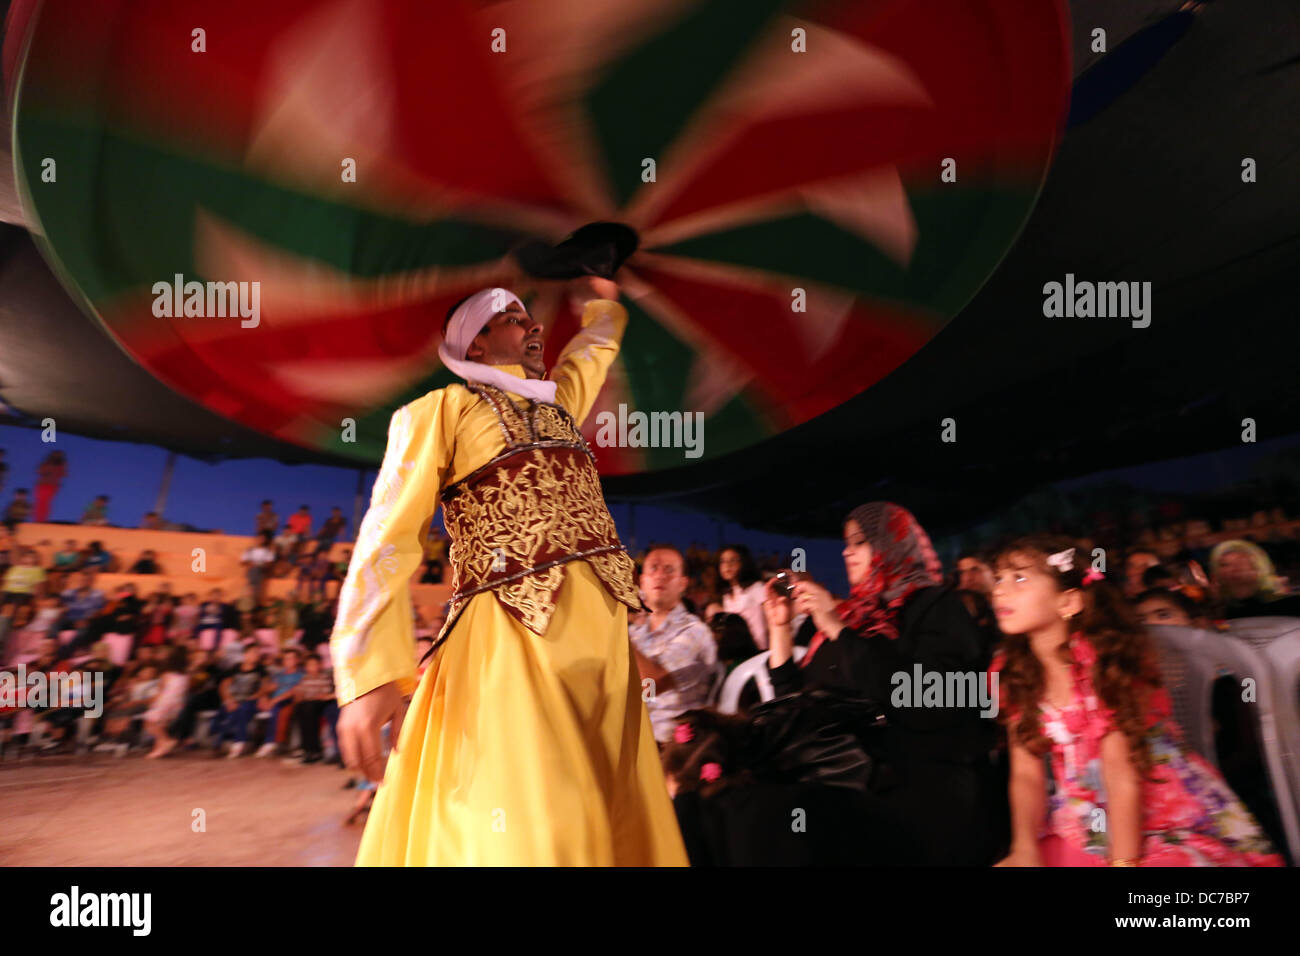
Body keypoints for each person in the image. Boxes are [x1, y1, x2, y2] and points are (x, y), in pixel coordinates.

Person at [331, 276, 686, 866]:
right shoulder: (441, 411)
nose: (537, 327)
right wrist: (367, 671)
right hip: (510, 636)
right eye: (518, 318)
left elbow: (592, 351)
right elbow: (386, 537)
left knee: (605, 808)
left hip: (601, 647)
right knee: (540, 821)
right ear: (475, 344)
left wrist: (603, 295)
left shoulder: (558, 406)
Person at [990, 535, 1283, 867]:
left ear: (1068, 603)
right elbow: (1026, 772)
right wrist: (1024, 848)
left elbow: (1120, 772)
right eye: (999, 577)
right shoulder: (1012, 672)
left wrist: (1124, 861)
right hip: (1085, 813)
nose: (999, 589)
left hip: (1158, 806)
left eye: (1019, 578)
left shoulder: (1104, 666)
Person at [761, 501, 1001, 865]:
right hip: (844, 790)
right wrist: (779, 629)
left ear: (892, 543)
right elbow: (799, 709)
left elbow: (925, 697)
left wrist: (836, 627)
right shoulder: (853, 615)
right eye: (846, 542)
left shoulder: (936, 607)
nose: (846, 551)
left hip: (916, 791)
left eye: (859, 541)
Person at [630, 545, 718, 744]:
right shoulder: (636, 634)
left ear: (683, 584)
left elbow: (651, 683)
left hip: (671, 745)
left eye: (669, 570)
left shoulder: (695, 632)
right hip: (636, 737)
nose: (660, 575)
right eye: (653, 568)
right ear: (642, 582)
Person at [1209, 539, 1300, 618]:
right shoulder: (1217, 610)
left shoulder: (1286, 603)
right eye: (1225, 565)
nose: (1235, 569)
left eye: (1242, 562)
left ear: (1258, 567)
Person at [718, 545, 768, 651]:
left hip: (760, 649)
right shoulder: (726, 596)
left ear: (743, 563)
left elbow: (771, 619)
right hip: (739, 652)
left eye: (733, 560)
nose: (727, 565)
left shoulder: (756, 588)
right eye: (723, 561)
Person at [241, 531, 277, 604]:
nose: (260, 540)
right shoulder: (250, 550)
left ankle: (253, 602)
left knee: (255, 587)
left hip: (261, 571)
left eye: (262, 538)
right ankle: (249, 602)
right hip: (251, 571)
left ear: (265, 540)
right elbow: (242, 562)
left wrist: (261, 565)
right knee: (251, 585)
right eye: (259, 538)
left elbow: (270, 563)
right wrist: (250, 563)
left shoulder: (267, 551)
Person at [33, 450, 67, 522]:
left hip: (52, 486)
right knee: (41, 503)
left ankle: (43, 519)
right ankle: (38, 519)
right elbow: (39, 471)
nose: (57, 456)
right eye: (56, 455)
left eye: (59, 455)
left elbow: (64, 474)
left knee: (46, 504)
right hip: (43, 485)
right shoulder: (47, 463)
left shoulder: (61, 465)